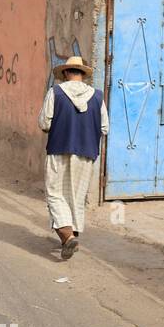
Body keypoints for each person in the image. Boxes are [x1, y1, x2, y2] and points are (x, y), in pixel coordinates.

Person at [38, 56, 109, 260]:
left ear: (67, 73)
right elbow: (104, 127)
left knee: (55, 193)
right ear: (82, 75)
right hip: (86, 152)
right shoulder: (97, 96)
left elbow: (44, 122)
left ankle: (68, 238)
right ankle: (70, 236)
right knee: (76, 195)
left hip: (59, 148)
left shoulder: (56, 92)